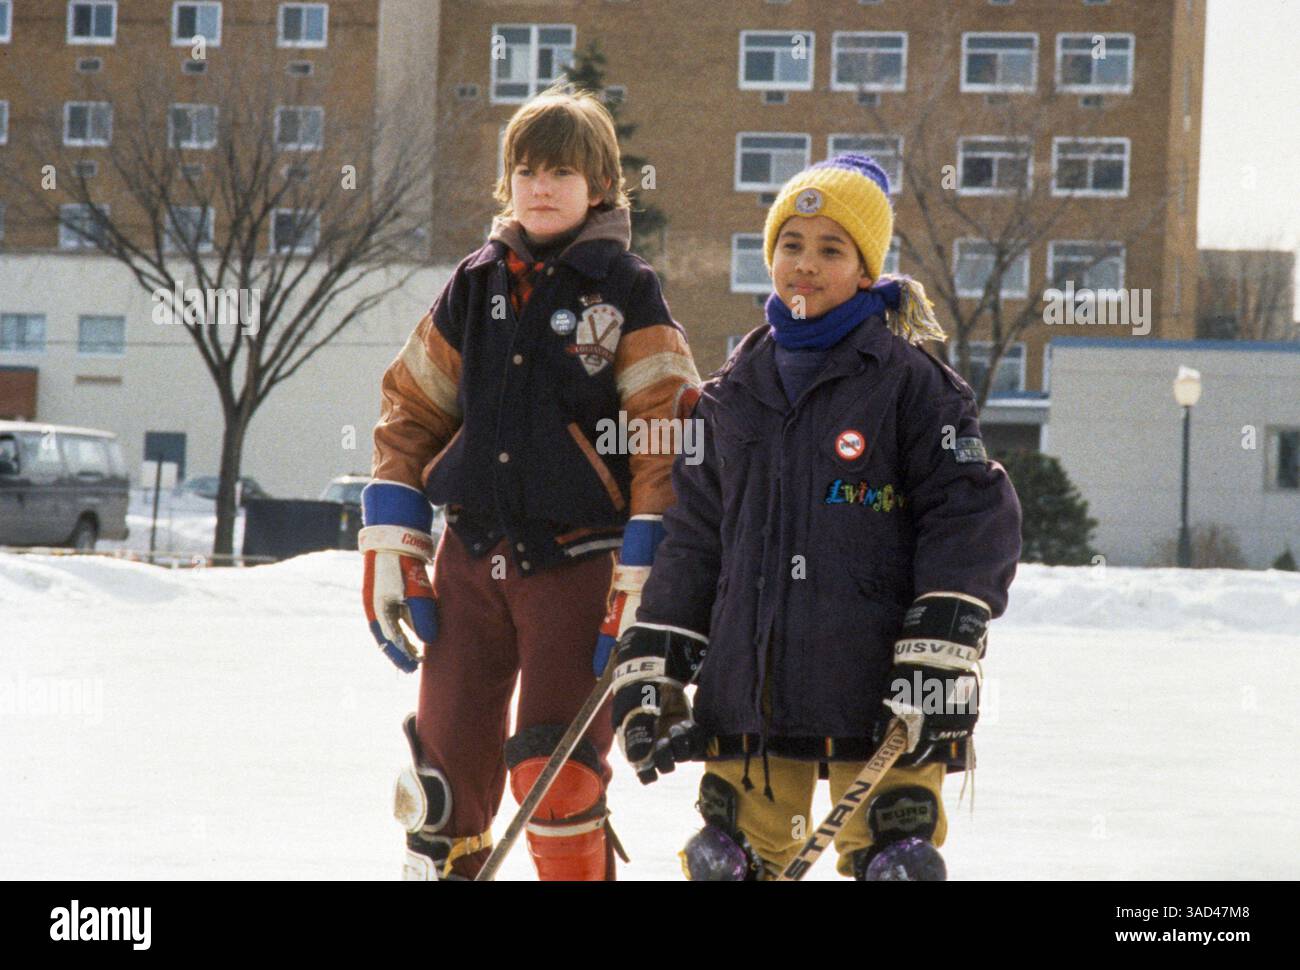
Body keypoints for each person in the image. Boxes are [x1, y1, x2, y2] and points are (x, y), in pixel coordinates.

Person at [610, 153, 1022, 880]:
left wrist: (945, 638)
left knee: (897, 859)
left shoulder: (914, 386)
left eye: (832, 250)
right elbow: (696, 538)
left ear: (866, 272)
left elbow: (968, 510)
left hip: (884, 685)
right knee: (726, 860)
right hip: (753, 688)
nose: (806, 264)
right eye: (791, 245)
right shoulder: (729, 395)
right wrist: (658, 660)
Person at [359, 86, 700, 881]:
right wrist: (393, 540)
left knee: (558, 778)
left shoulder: (626, 289)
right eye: (526, 171)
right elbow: (411, 406)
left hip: (577, 566)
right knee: (439, 792)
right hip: (471, 557)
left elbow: (664, 428)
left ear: (601, 186)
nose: (540, 188)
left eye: (562, 173)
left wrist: (647, 568)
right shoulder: (474, 283)